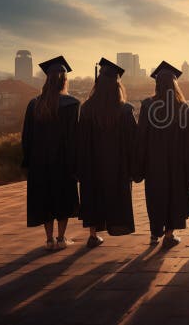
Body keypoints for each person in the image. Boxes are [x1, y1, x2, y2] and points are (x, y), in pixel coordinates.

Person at [21, 56, 80, 250]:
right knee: (62, 198)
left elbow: (26, 137)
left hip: (40, 163)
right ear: (64, 80)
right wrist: (76, 164)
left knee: (45, 199)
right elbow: (74, 137)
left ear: (47, 79)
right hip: (63, 162)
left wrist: (28, 161)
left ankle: (48, 240)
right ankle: (61, 239)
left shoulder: (34, 104)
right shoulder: (72, 104)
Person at [77, 58, 137, 248]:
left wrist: (81, 164)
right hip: (117, 165)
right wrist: (133, 166)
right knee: (116, 195)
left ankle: (93, 234)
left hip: (93, 163)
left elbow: (82, 139)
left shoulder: (86, 109)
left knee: (93, 196)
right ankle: (116, 225)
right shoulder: (125, 110)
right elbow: (133, 141)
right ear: (117, 85)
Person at [134, 61, 189, 248]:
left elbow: (141, 136)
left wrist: (140, 165)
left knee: (155, 196)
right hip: (176, 162)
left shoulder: (147, 106)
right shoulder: (183, 108)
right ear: (175, 84)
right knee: (174, 197)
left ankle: (154, 234)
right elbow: (188, 139)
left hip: (154, 162)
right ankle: (169, 234)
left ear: (157, 84)